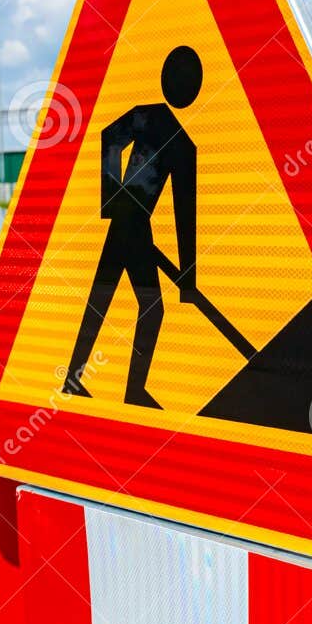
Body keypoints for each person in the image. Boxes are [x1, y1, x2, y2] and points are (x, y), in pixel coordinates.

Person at [63, 45, 201, 408]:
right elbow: (109, 136)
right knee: (144, 307)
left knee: (102, 298)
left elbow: (185, 213)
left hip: (137, 224)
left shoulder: (184, 143)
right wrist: (113, 200)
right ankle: (131, 392)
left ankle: (73, 381)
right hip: (130, 220)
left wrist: (188, 278)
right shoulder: (153, 119)